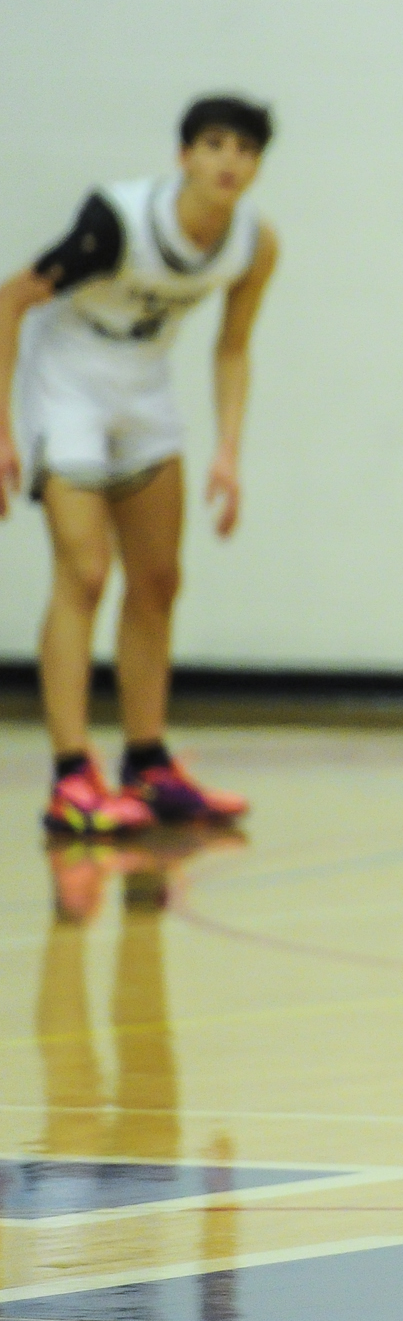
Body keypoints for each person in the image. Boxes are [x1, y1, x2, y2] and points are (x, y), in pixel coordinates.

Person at [0, 96, 278, 835]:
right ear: (184, 154)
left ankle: (149, 766)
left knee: (158, 579)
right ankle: (70, 776)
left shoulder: (252, 242)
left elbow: (231, 346)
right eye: (214, 144)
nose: (229, 160)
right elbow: (11, 299)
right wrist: (1, 425)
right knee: (85, 572)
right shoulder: (116, 223)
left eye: (245, 149)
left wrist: (228, 449)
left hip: (144, 386)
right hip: (67, 380)